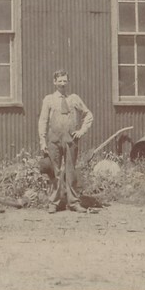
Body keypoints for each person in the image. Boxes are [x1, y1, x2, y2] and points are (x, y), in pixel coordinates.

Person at [37, 69, 93, 213]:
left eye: (64, 81)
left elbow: (88, 115)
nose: (62, 84)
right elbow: (43, 120)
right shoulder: (49, 99)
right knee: (54, 172)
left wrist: (81, 131)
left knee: (71, 171)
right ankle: (54, 203)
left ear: (68, 82)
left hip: (70, 140)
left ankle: (73, 202)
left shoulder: (74, 98)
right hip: (54, 140)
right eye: (59, 81)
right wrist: (42, 141)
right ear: (54, 82)